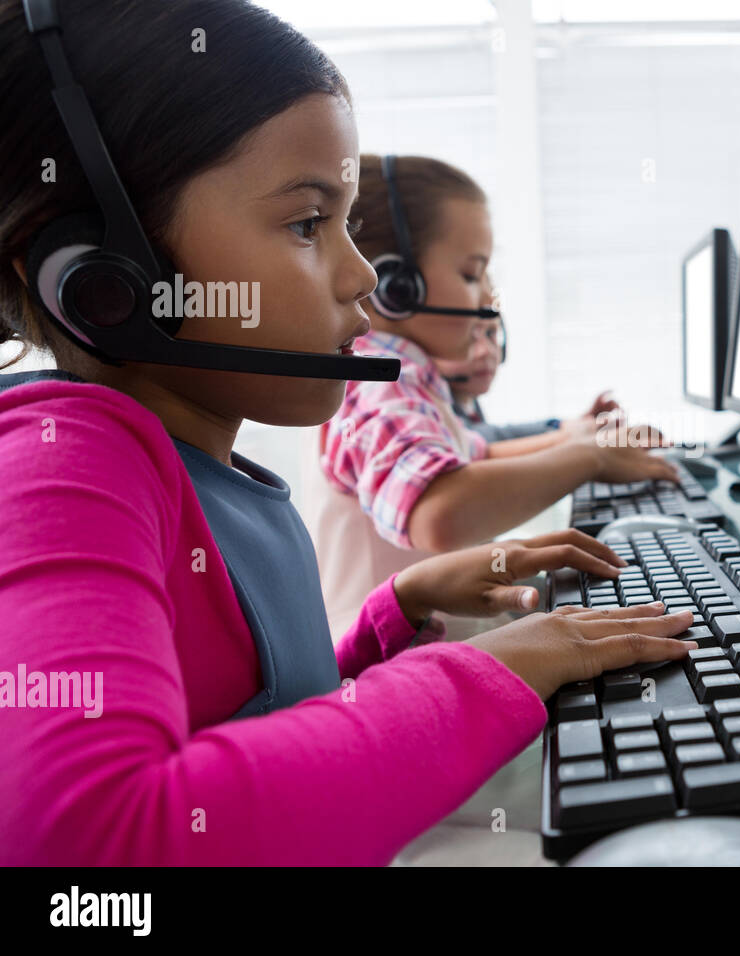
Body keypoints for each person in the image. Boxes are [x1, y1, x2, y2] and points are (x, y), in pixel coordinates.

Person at [0, 0, 695, 865]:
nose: (361, 273)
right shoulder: (64, 469)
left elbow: (255, 716)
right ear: (104, 277)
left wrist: (388, 621)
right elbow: (88, 842)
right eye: (305, 222)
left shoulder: (214, 470)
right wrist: (493, 674)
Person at [302, 153, 676, 637]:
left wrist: (580, 439)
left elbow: (478, 455)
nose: (485, 299)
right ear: (396, 286)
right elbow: (437, 512)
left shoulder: (412, 378)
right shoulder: (375, 380)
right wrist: (588, 459)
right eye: (471, 273)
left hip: (432, 658)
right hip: (394, 676)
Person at [437, 274, 620, 443]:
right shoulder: (434, 404)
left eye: (491, 333)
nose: (486, 351)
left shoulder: (468, 402)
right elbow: (482, 439)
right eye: (469, 337)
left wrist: (580, 424)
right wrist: (564, 429)